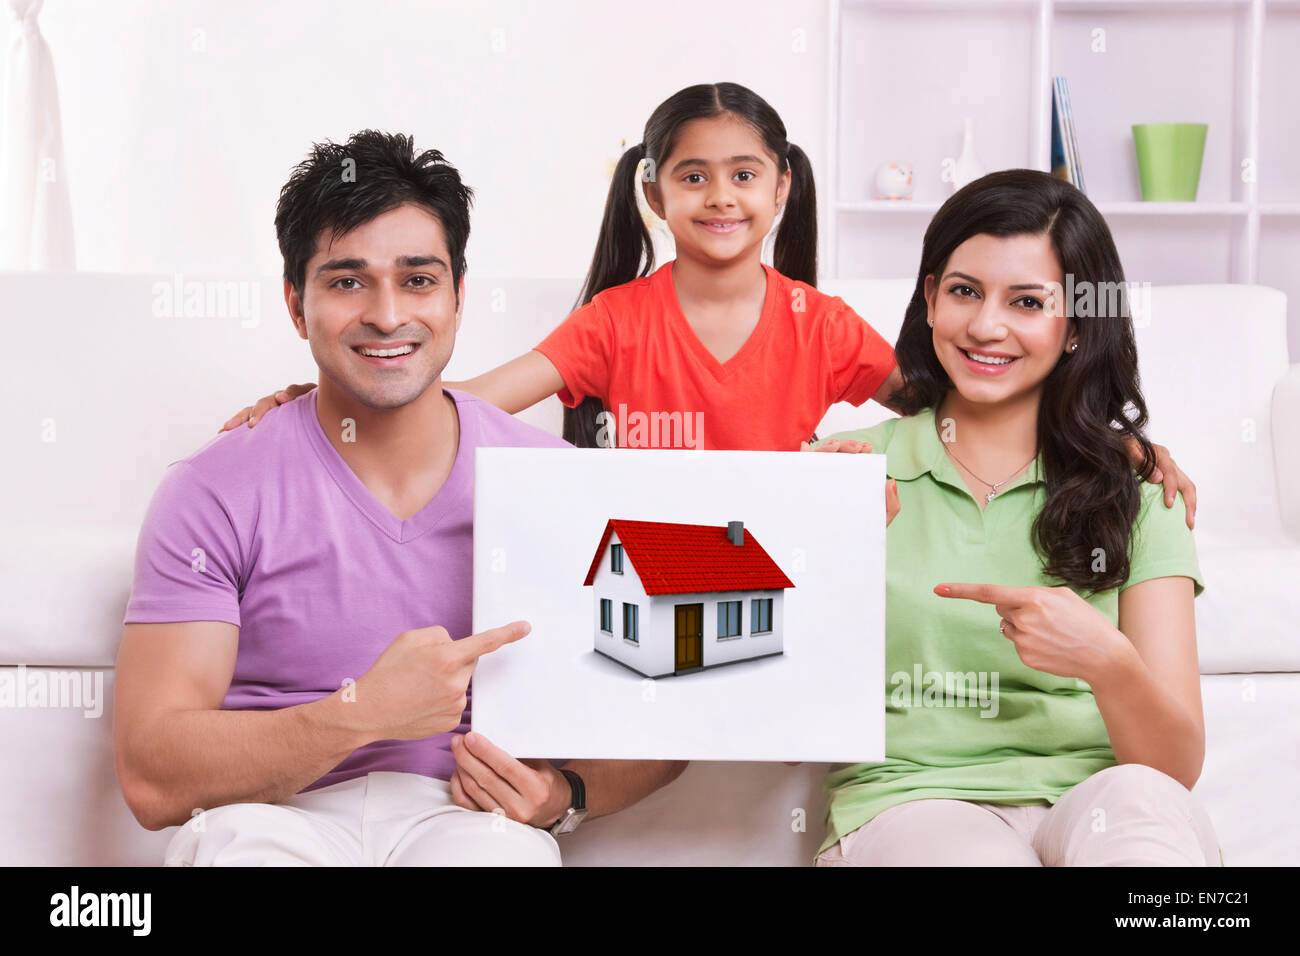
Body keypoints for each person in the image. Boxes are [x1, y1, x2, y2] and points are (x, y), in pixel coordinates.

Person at [220, 83, 1198, 523]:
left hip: (776, 552)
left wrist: (1109, 439)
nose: (719, 197)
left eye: (743, 174)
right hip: (647, 553)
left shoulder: (820, 324)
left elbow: (968, 398)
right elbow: (466, 399)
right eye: (693, 176)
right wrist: (320, 404)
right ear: (653, 194)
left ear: (781, 187)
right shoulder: (614, 320)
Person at [114, 130, 685, 867]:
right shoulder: (214, 489)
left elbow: (668, 720)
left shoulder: (558, 482)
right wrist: (363, 713)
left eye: (418, 279)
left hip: (463, 819)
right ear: (297, 304)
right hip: (266, 813)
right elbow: (152, 777)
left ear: (457, 296)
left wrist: (564, 795)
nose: (387, 315)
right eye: (347, 281)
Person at [811, 169, 1220, 866]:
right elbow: (768, 708)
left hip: (1102, 798)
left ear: (1074, 329)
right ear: (931, 298)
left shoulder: (1141, 491)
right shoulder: (840, 476)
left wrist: (1107, 661)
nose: (986, 326)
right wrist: (824, 561)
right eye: (964, 291)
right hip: (914, 802)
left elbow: (1172, 769)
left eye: (1027, 302)